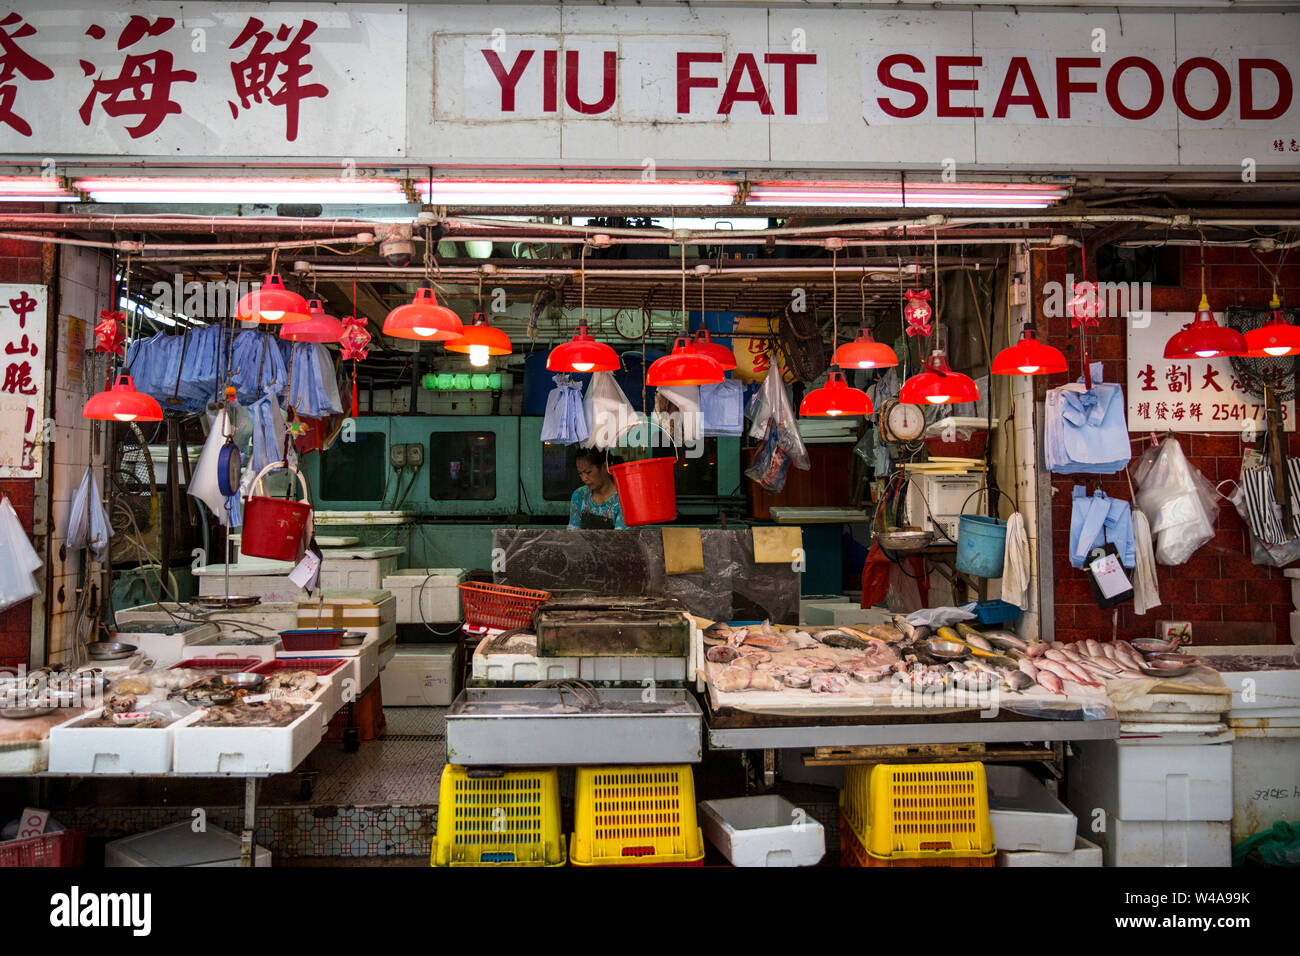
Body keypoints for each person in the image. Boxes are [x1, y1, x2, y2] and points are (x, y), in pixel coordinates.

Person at [568, 448, 627, 530]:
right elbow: (572, 534)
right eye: (580, 473)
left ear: (604, 467)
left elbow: (621, 539)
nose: (584, 478)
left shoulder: (623, 498)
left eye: (588, 472)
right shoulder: (579, 495)